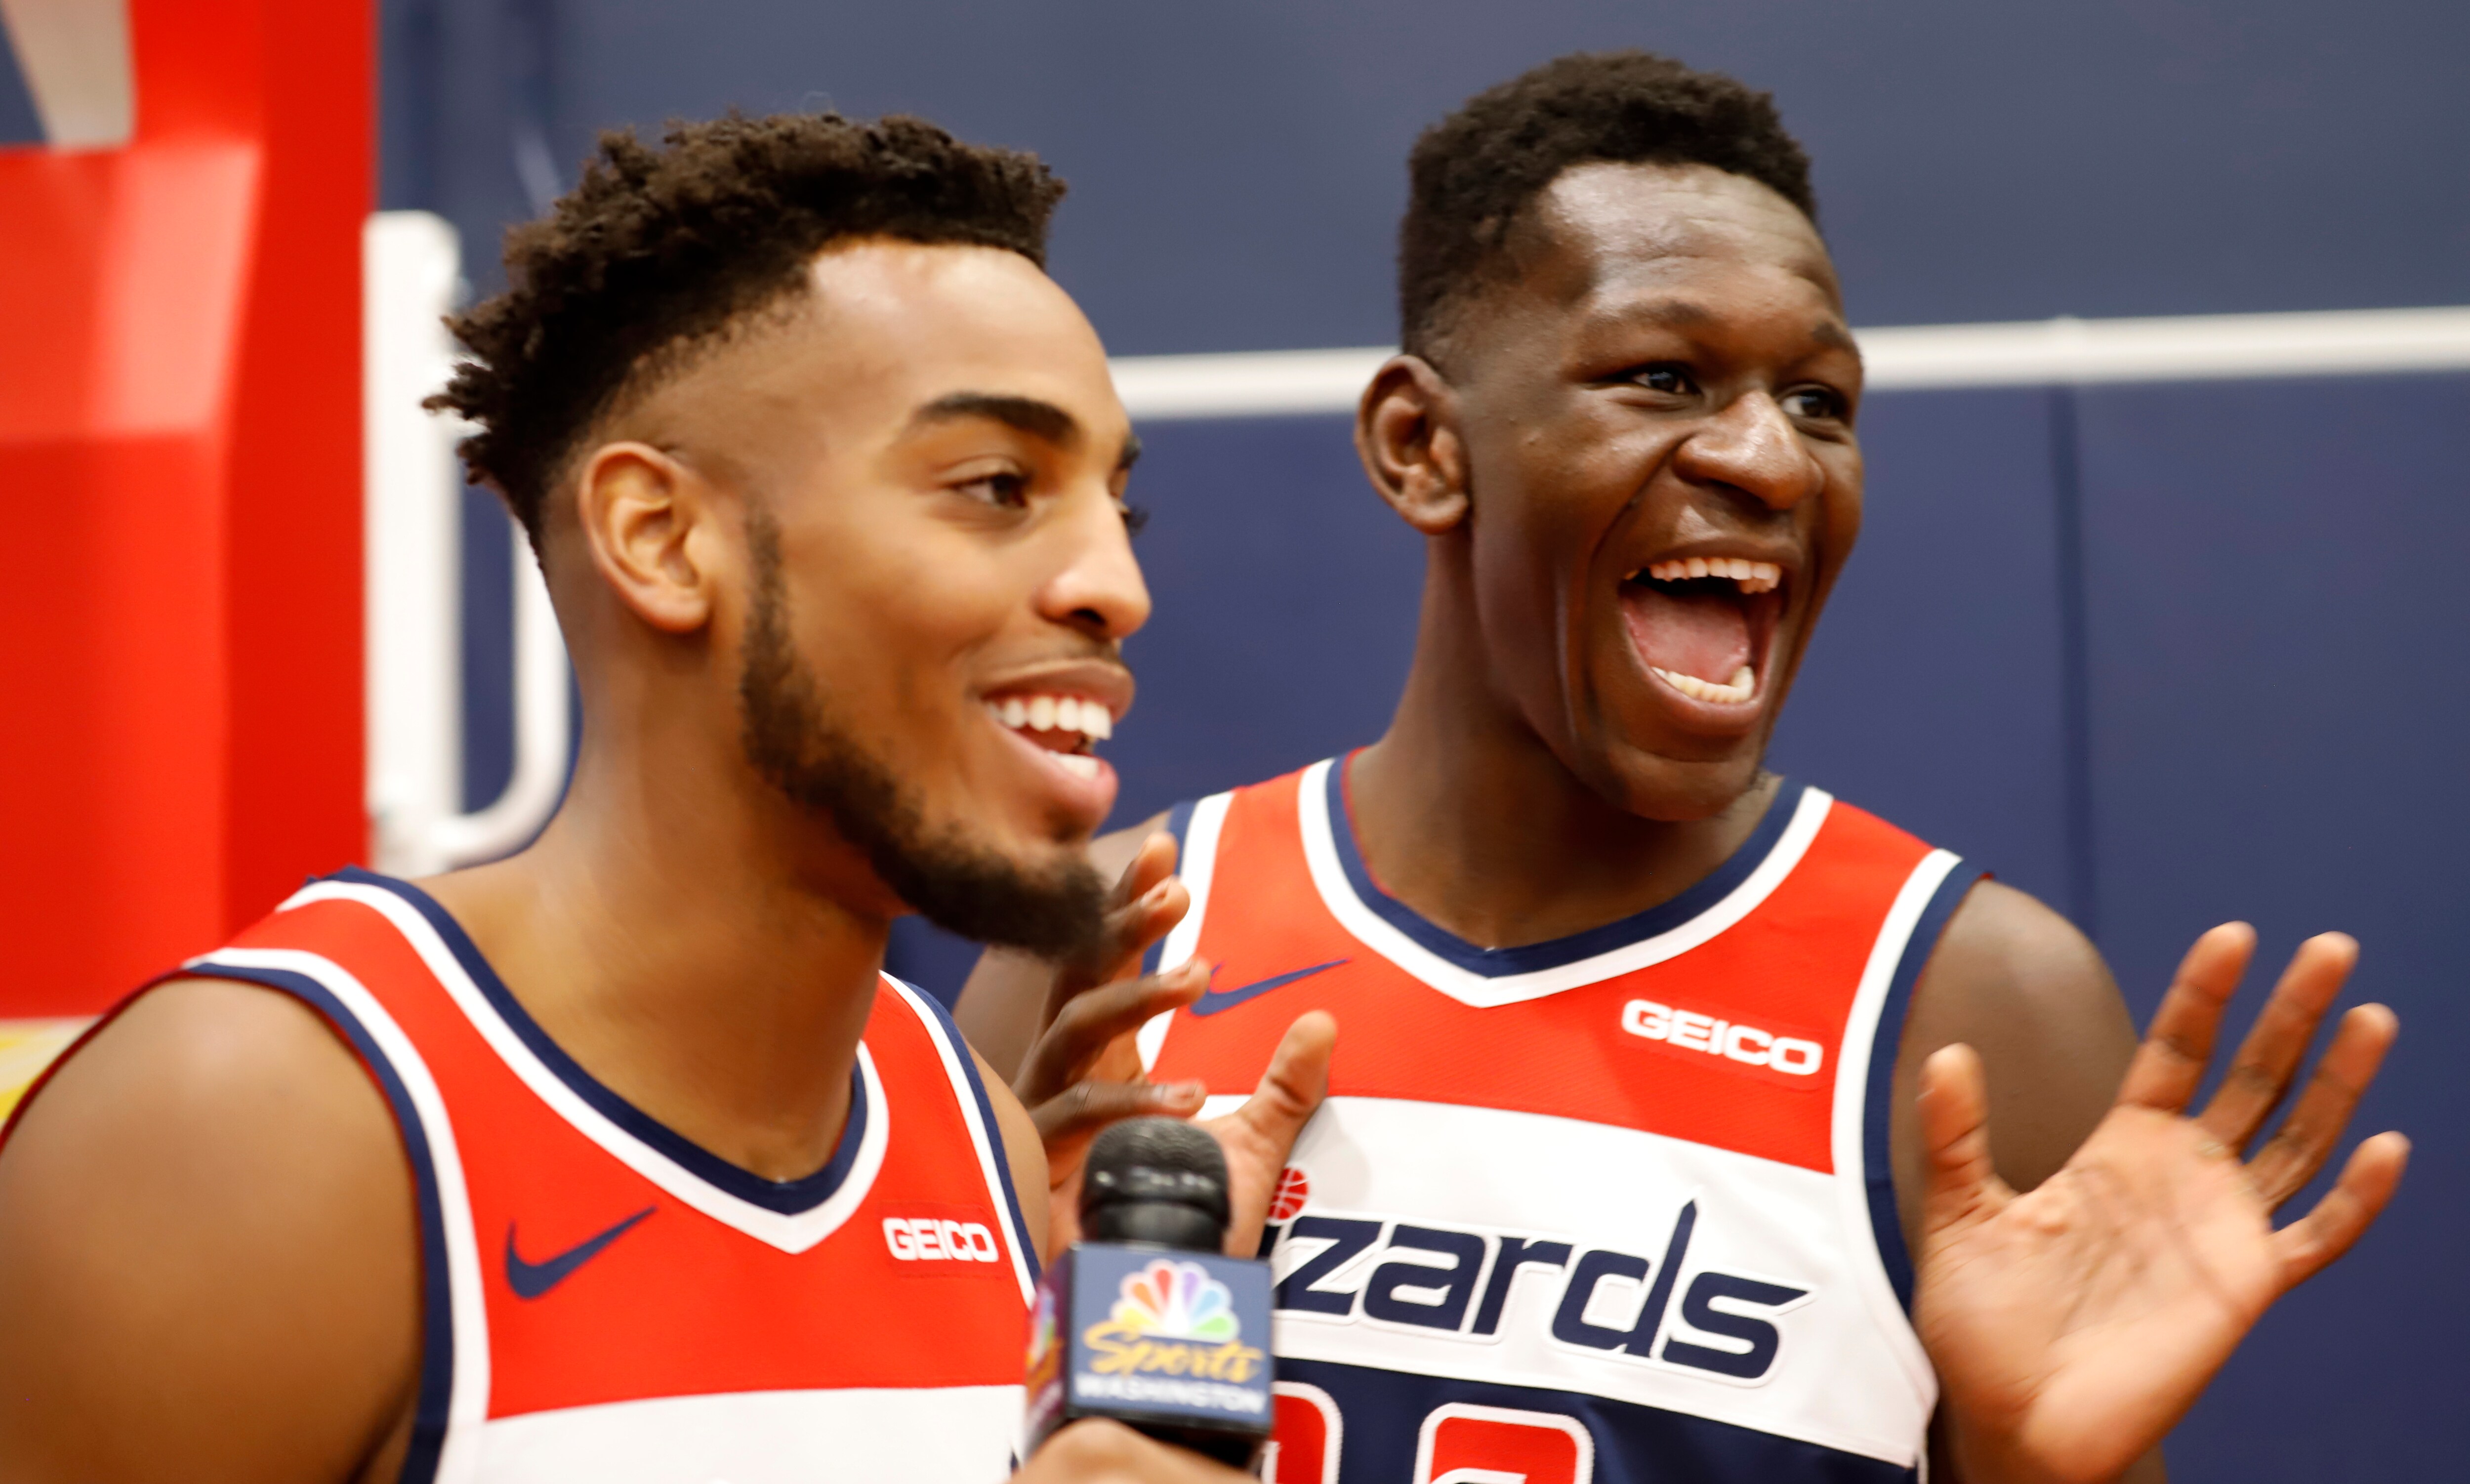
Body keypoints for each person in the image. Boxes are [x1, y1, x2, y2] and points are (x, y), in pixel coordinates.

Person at [958, 52, 2407, 1484]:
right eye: (1663, 376)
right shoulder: (1118, 941)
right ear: (1422, 447)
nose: (1773, 461)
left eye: (1822, 401)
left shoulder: (1974, 1010)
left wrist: (2031, 1463)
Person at [0, 112, 1333, 1484]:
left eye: (1121, 508)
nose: (1117, 585)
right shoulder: (253, 1128)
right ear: (660, 537)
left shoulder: (968, 1127)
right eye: (1001, 486)